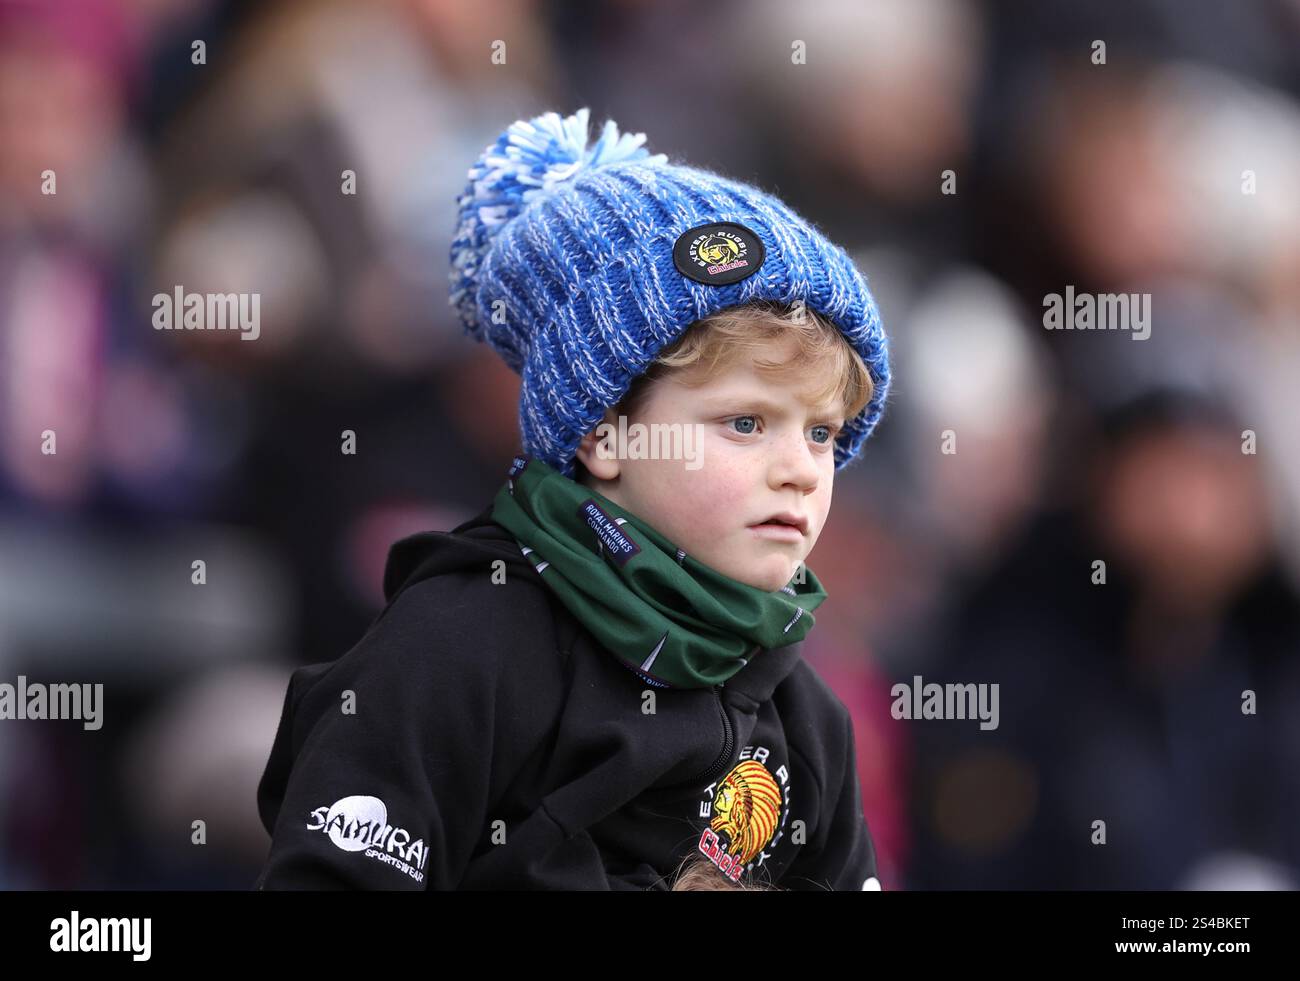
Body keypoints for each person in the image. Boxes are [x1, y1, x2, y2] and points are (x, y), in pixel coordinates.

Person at [253, 108, 892, 890]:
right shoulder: (454, 650)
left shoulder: (805, 714)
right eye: (746, 422)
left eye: (823, 433)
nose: (799, 468)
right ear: (603, 432)